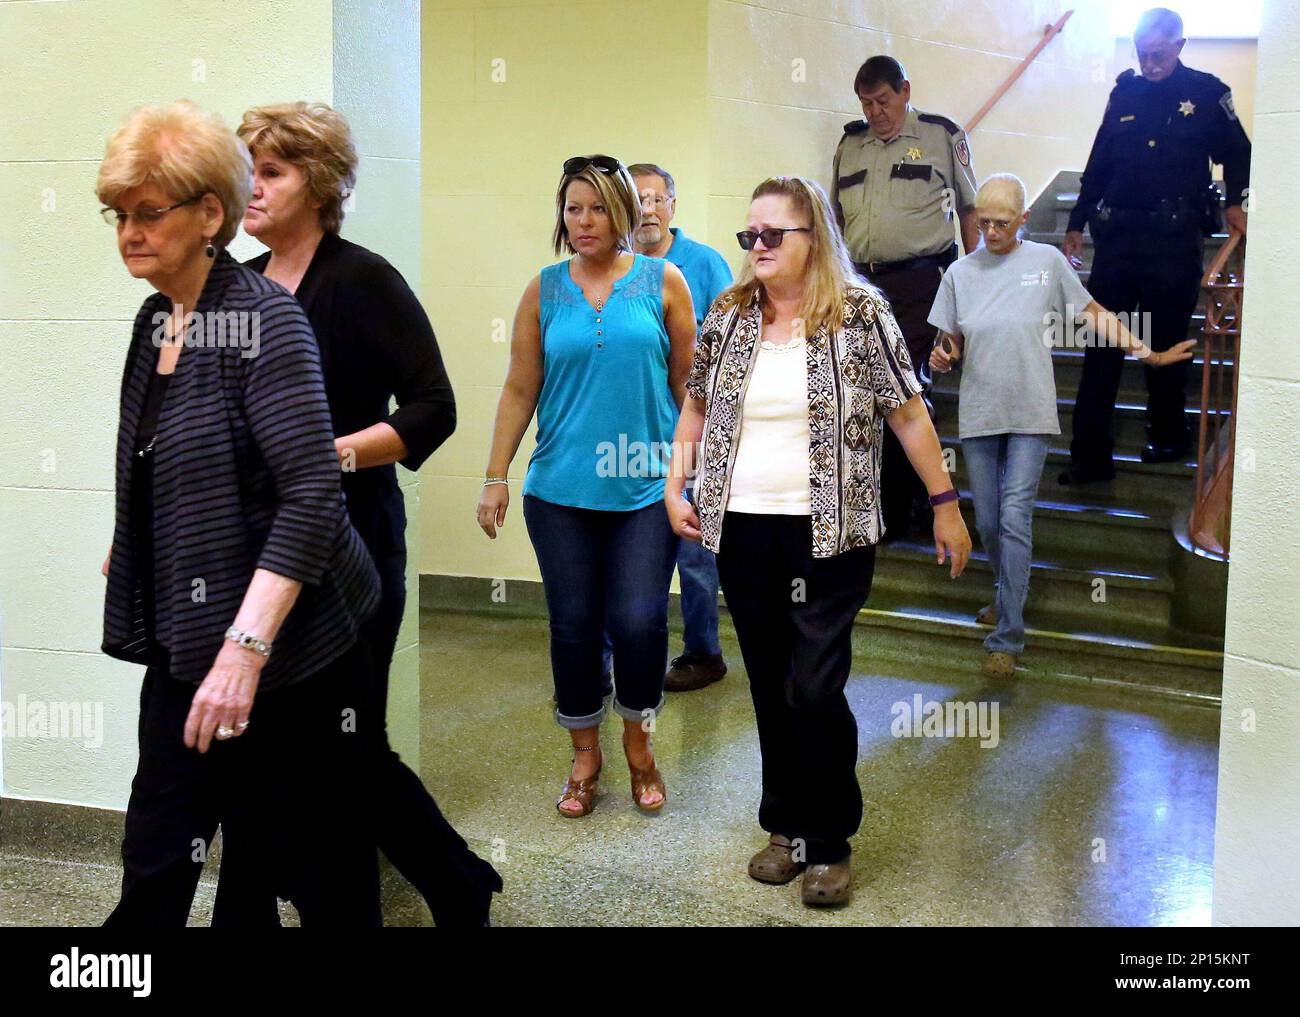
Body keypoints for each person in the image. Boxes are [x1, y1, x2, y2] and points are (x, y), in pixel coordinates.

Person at [206, 101, 501, 927]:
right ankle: (447, 880)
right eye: (248, 171)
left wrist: (335, 452)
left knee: (347, 743)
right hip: (263, 552)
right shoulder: (243, 285)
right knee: (266, 744)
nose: (253, 188)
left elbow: (433, 406)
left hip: (354, 545)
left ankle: (449, 880)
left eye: (274, 172)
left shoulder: (362, 279)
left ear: (321, 184)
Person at [96, 100, 382, 927]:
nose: (129, 233)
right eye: (119, 215)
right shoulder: (157, 320)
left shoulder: (265, 320)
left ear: (210, 214)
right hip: (187, 639)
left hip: (296, 653)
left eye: (149, 213)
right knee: (157, 858)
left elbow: (311, 496)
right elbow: (156, 458)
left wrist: (244, 652)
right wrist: (135, 541)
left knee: (320, 877)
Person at [665, 175, 972, 907]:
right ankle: (787, 829)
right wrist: (676, 486)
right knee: (772, 683)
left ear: (815, 237)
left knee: (813, 682)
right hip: (742, 527)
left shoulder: (861, 314)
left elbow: (909, 415)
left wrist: (945, 503)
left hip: (831, 531)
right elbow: (696, 409)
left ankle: (830, 839)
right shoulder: (731, 315)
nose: (759, 248)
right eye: (751, 236)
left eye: (775, 235)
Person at [477, 155, 696, 817]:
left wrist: (695, 474)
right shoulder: (543, 290)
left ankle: (638, 742)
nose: (584, 220)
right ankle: (584, 754)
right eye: (573, 208)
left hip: (644, 488)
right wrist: (495, 475)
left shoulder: (665, 281)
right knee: (572, 627)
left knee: (637, 620)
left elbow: (690, 387)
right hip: (560, 491)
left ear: (624, 212)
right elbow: (520, 387)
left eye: (597, 207)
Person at [928, 174, 1196, 678]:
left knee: (1013, 517)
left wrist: (1149, 353)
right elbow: (951, 340)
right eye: (983, 222)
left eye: (1002, 223)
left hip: (1030, 410)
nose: (990, 231)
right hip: (981, 412)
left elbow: (1093, 313)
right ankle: (1007, 596)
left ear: (1024, 220)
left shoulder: (1046, 264)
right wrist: (943, 357)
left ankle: (1006, 637)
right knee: (986, 521)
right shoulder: (960, 273)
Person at [1060, 6, 1251, 482]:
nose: (1149, 63)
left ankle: (1168, 436)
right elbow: (1099, 160)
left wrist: (1235, 204)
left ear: (1180, 46)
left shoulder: (1207, 94)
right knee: (1102, 342)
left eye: (1158, 54)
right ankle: (1090, 455)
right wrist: (1077, 220)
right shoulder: (1125, 91)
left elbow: (1238, 153)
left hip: (1174, 239)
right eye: (1142, 54)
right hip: (1120, 239)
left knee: (1166, 342)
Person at [831, 55, 979, 542]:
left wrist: (976, 283)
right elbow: (835, 219)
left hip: (921, 284)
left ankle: (916, 504)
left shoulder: (940, 136)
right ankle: (881, 504)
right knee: (866, 395)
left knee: (910, 393)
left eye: (883, 100)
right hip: (862, 284)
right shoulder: (850, 145)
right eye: (866, 103)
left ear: (905, 91)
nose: (875, 112)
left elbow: (969, 211)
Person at [628, 162, 734, 692]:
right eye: (636, 198)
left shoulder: (704, 264)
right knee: (633, 558)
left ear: (673, 204)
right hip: (630, 440)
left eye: (655, 197)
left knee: (694, 556)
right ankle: (629, 658)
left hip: (696, 434)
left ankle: (703, 653)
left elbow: (737, 340)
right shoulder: (614, 270)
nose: (646, 208)